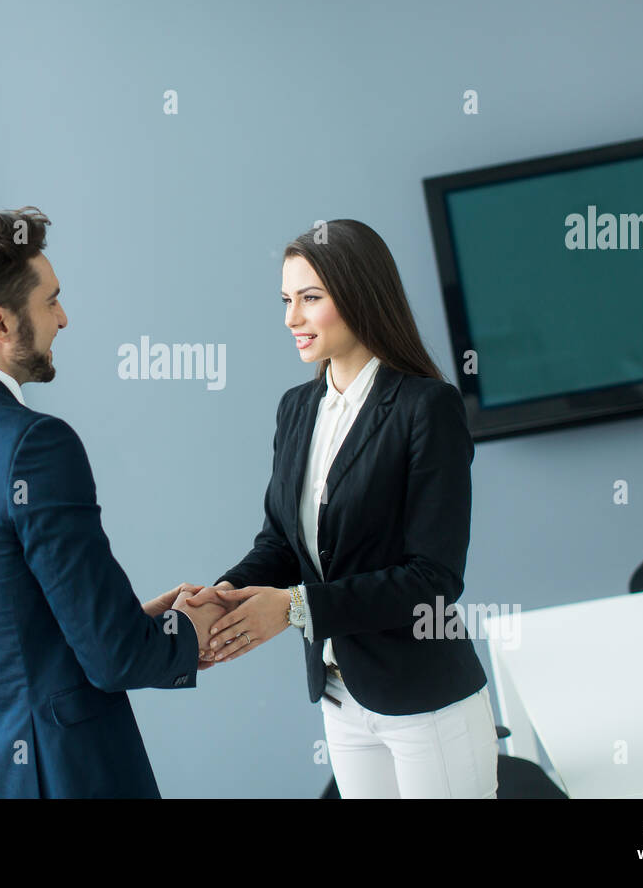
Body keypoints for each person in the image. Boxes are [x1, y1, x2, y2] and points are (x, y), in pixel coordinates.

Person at [0, 206, 225, 798]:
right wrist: (189, 632)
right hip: (68, 775)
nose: (64, 318)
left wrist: (131, 621)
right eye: (50, 301)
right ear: (0, 324)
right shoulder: (35, 445)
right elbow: (114, 661)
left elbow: (1, 634)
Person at [185, 219, 499, 798]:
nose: (290, 319)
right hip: (339, 695)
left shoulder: (426, 407)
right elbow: (281, 544)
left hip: (424, 699)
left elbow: (433, 580)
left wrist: (295, 609)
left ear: (358, 294)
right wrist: (224, 595)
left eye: (310, 299)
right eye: (286, 300)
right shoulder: (297, 409)